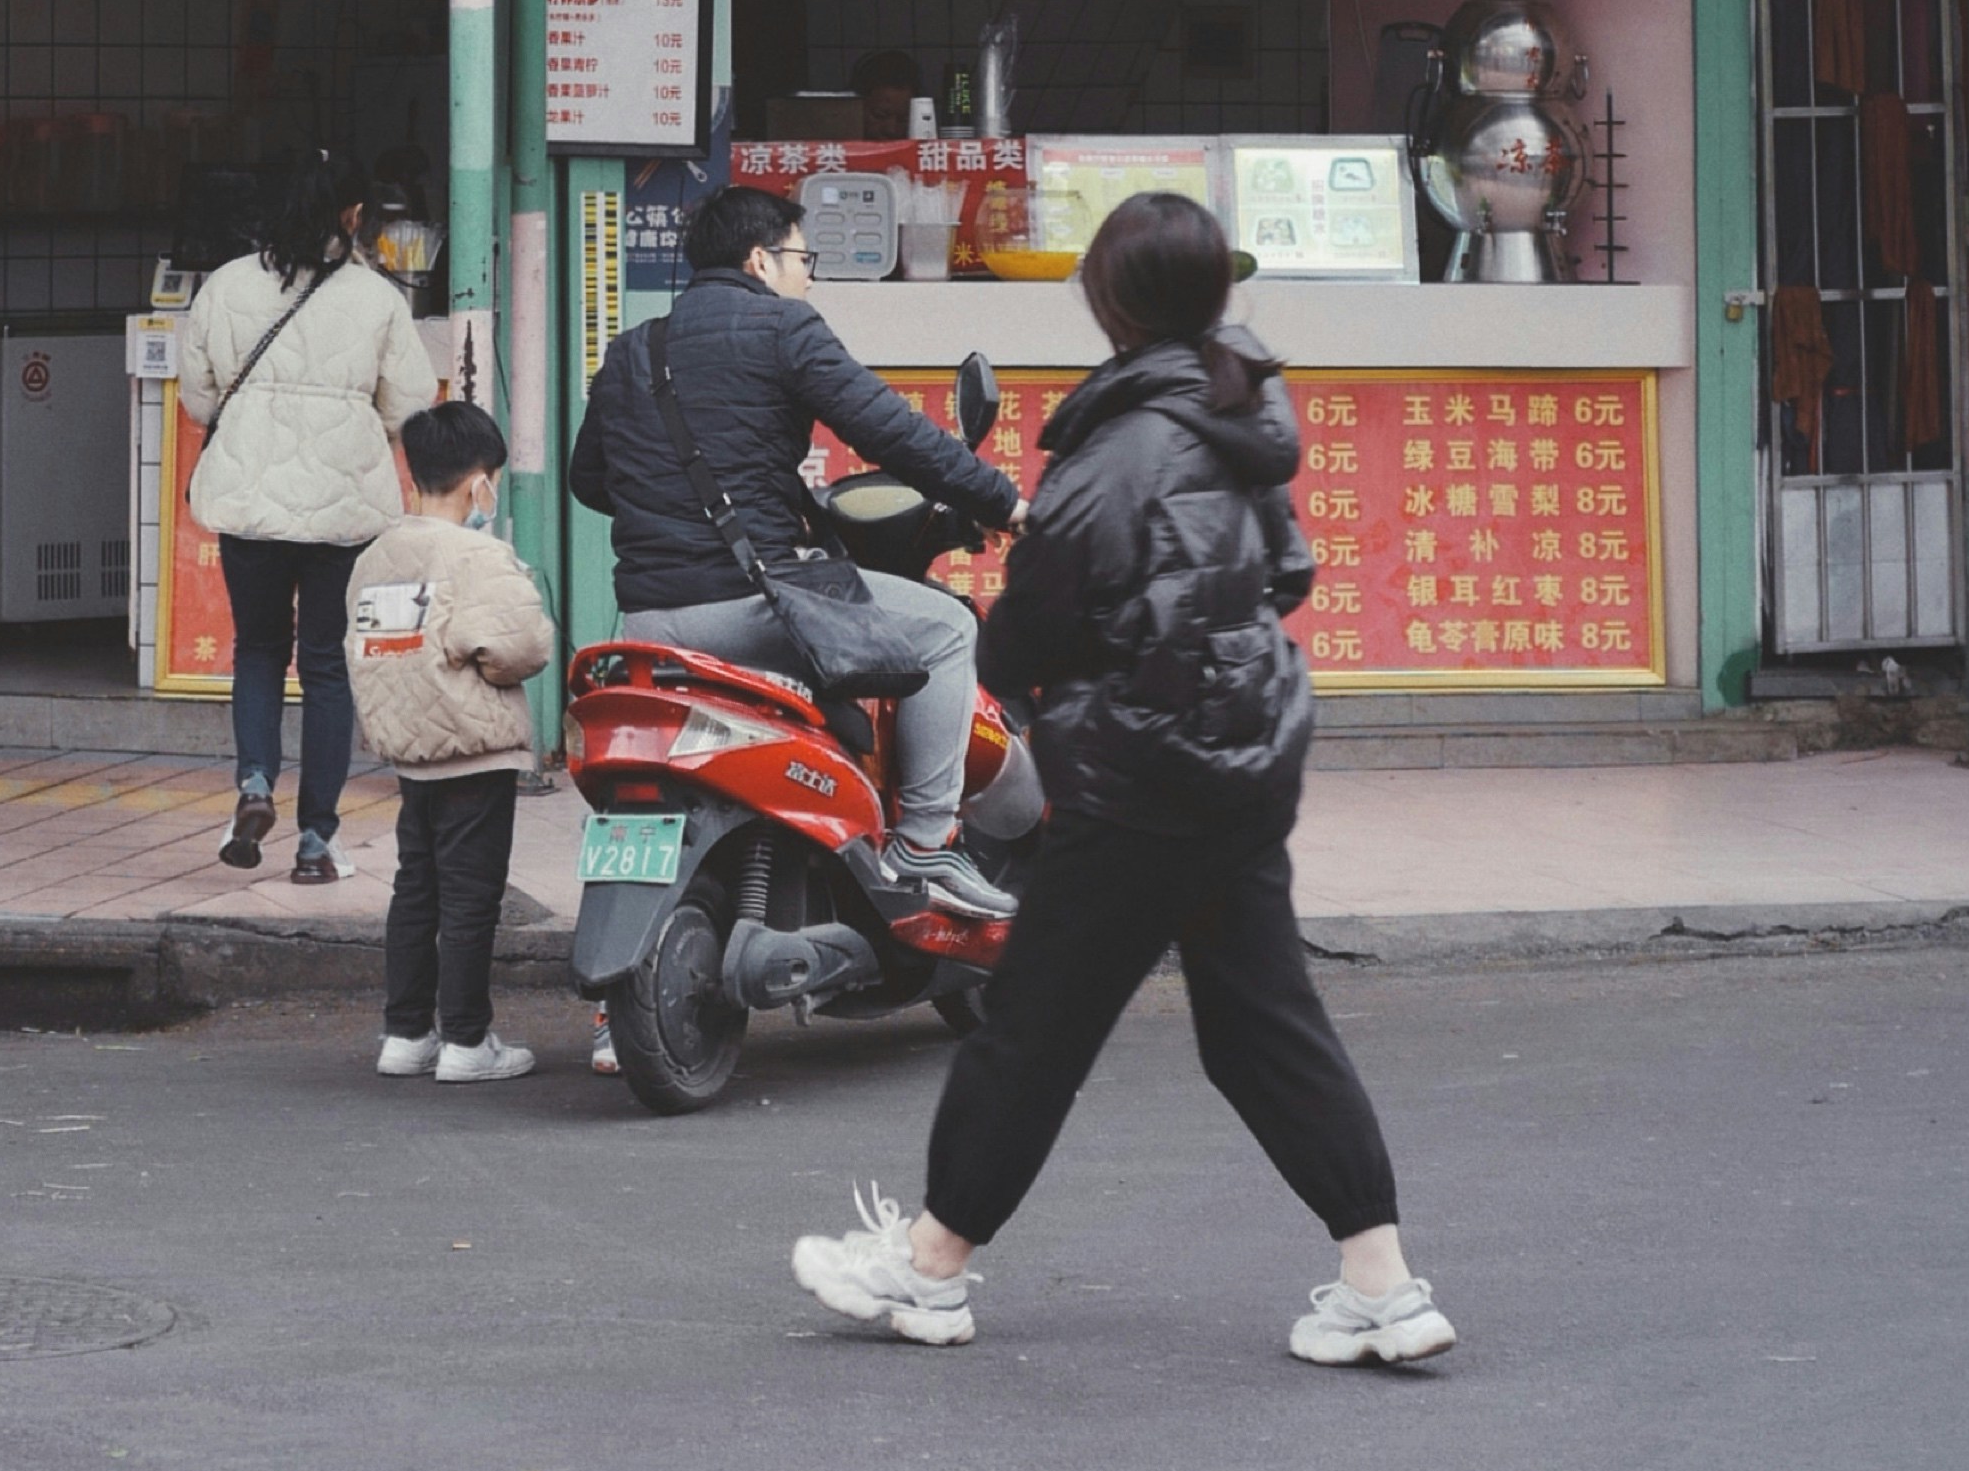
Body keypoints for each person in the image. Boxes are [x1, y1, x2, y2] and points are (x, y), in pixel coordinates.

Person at [789, 192, 1456, 1369]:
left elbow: (1022, 636)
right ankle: (1383, 1286)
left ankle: (932, 1267)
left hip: (1137, 774)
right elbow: (1287, 572)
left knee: (1034, 1027)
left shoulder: (1119, 446)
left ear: (1111, 301)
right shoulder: (1244, 412)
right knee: (1261, 1028)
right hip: (1242, 760)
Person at [567, 182, 1028, 916]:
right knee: (947, 630)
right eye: (801, 257)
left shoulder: (634, 350)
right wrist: (1005, 502)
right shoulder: (785, 330)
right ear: (759, 259)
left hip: (649, 623)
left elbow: (589, 478)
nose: (807, 274)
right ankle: (926, 845)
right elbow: (890, 433)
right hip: (752, 607)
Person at [179, 148, 437, 886]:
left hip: (250, 506)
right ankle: (317, 841)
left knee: (259, 650)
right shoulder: (377, 298)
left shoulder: (226, 286)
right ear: (352, 216)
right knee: (326, 667)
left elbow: (199, 397)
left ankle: (255, 783)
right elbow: (408, 405)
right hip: (343, 511)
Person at [346, 401, 557, 1086]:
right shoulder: (480, 555)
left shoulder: (378, 554)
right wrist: (486, 670)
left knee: (417, 888)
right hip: (474, 746)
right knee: (470, 894)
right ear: (479, 483)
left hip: (411, 750)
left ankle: (405, 1033)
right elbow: (520, 649)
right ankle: (468, 1040)